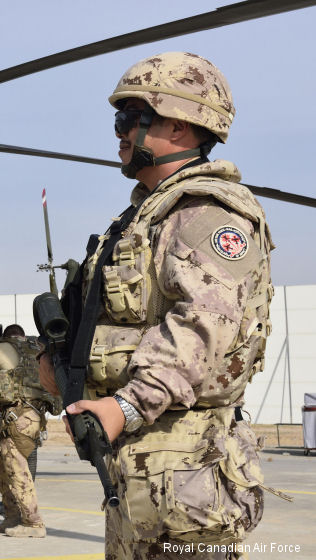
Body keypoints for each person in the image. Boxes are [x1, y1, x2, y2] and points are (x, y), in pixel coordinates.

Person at [38, 52, 274, 559]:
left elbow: (202, 329)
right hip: (144, 471)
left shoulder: (205, 214)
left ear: (181, 125)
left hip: (187, 475)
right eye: (119, 119)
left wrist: (125, 405)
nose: (119, 133)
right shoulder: (144, 216)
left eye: (131, 119)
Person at [0, 324, 62, 537]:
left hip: (17, 417)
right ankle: (13, 515)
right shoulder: (38, 349)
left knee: (15, 467)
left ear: (5, 337)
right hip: (35, 415)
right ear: (23, 336)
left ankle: (32, 523)